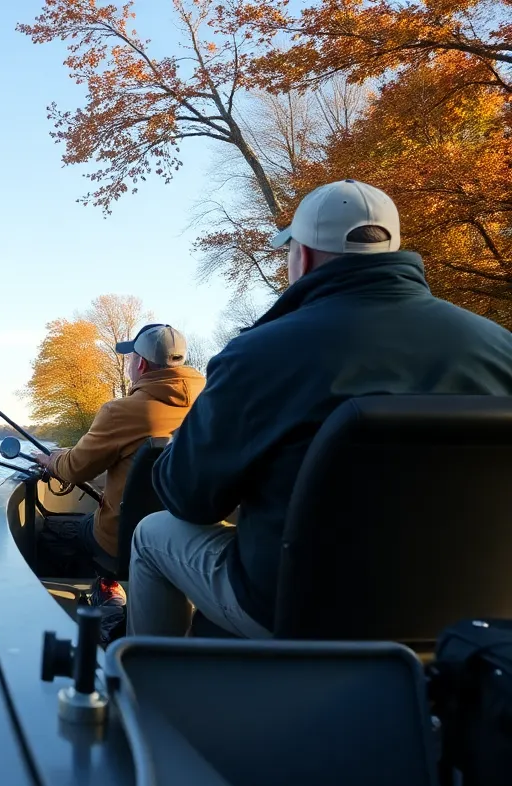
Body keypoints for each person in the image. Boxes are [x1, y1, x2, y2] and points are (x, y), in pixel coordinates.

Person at [126, 179, 512, 638]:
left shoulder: (257, 356)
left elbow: (188, 500)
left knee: (152, 534)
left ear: (302, 257)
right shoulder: (499, 347)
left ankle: (150, 692)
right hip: (476, 618)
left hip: (297, 612)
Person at [34, 323, 206, 594]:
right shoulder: (211, 404)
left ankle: (103, 594)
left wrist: (52, 459)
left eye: (131, 357)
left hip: (123, 544)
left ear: (141, 366)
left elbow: (75, 469)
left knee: (53, 531)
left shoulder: (121, 412)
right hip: (189, 544)